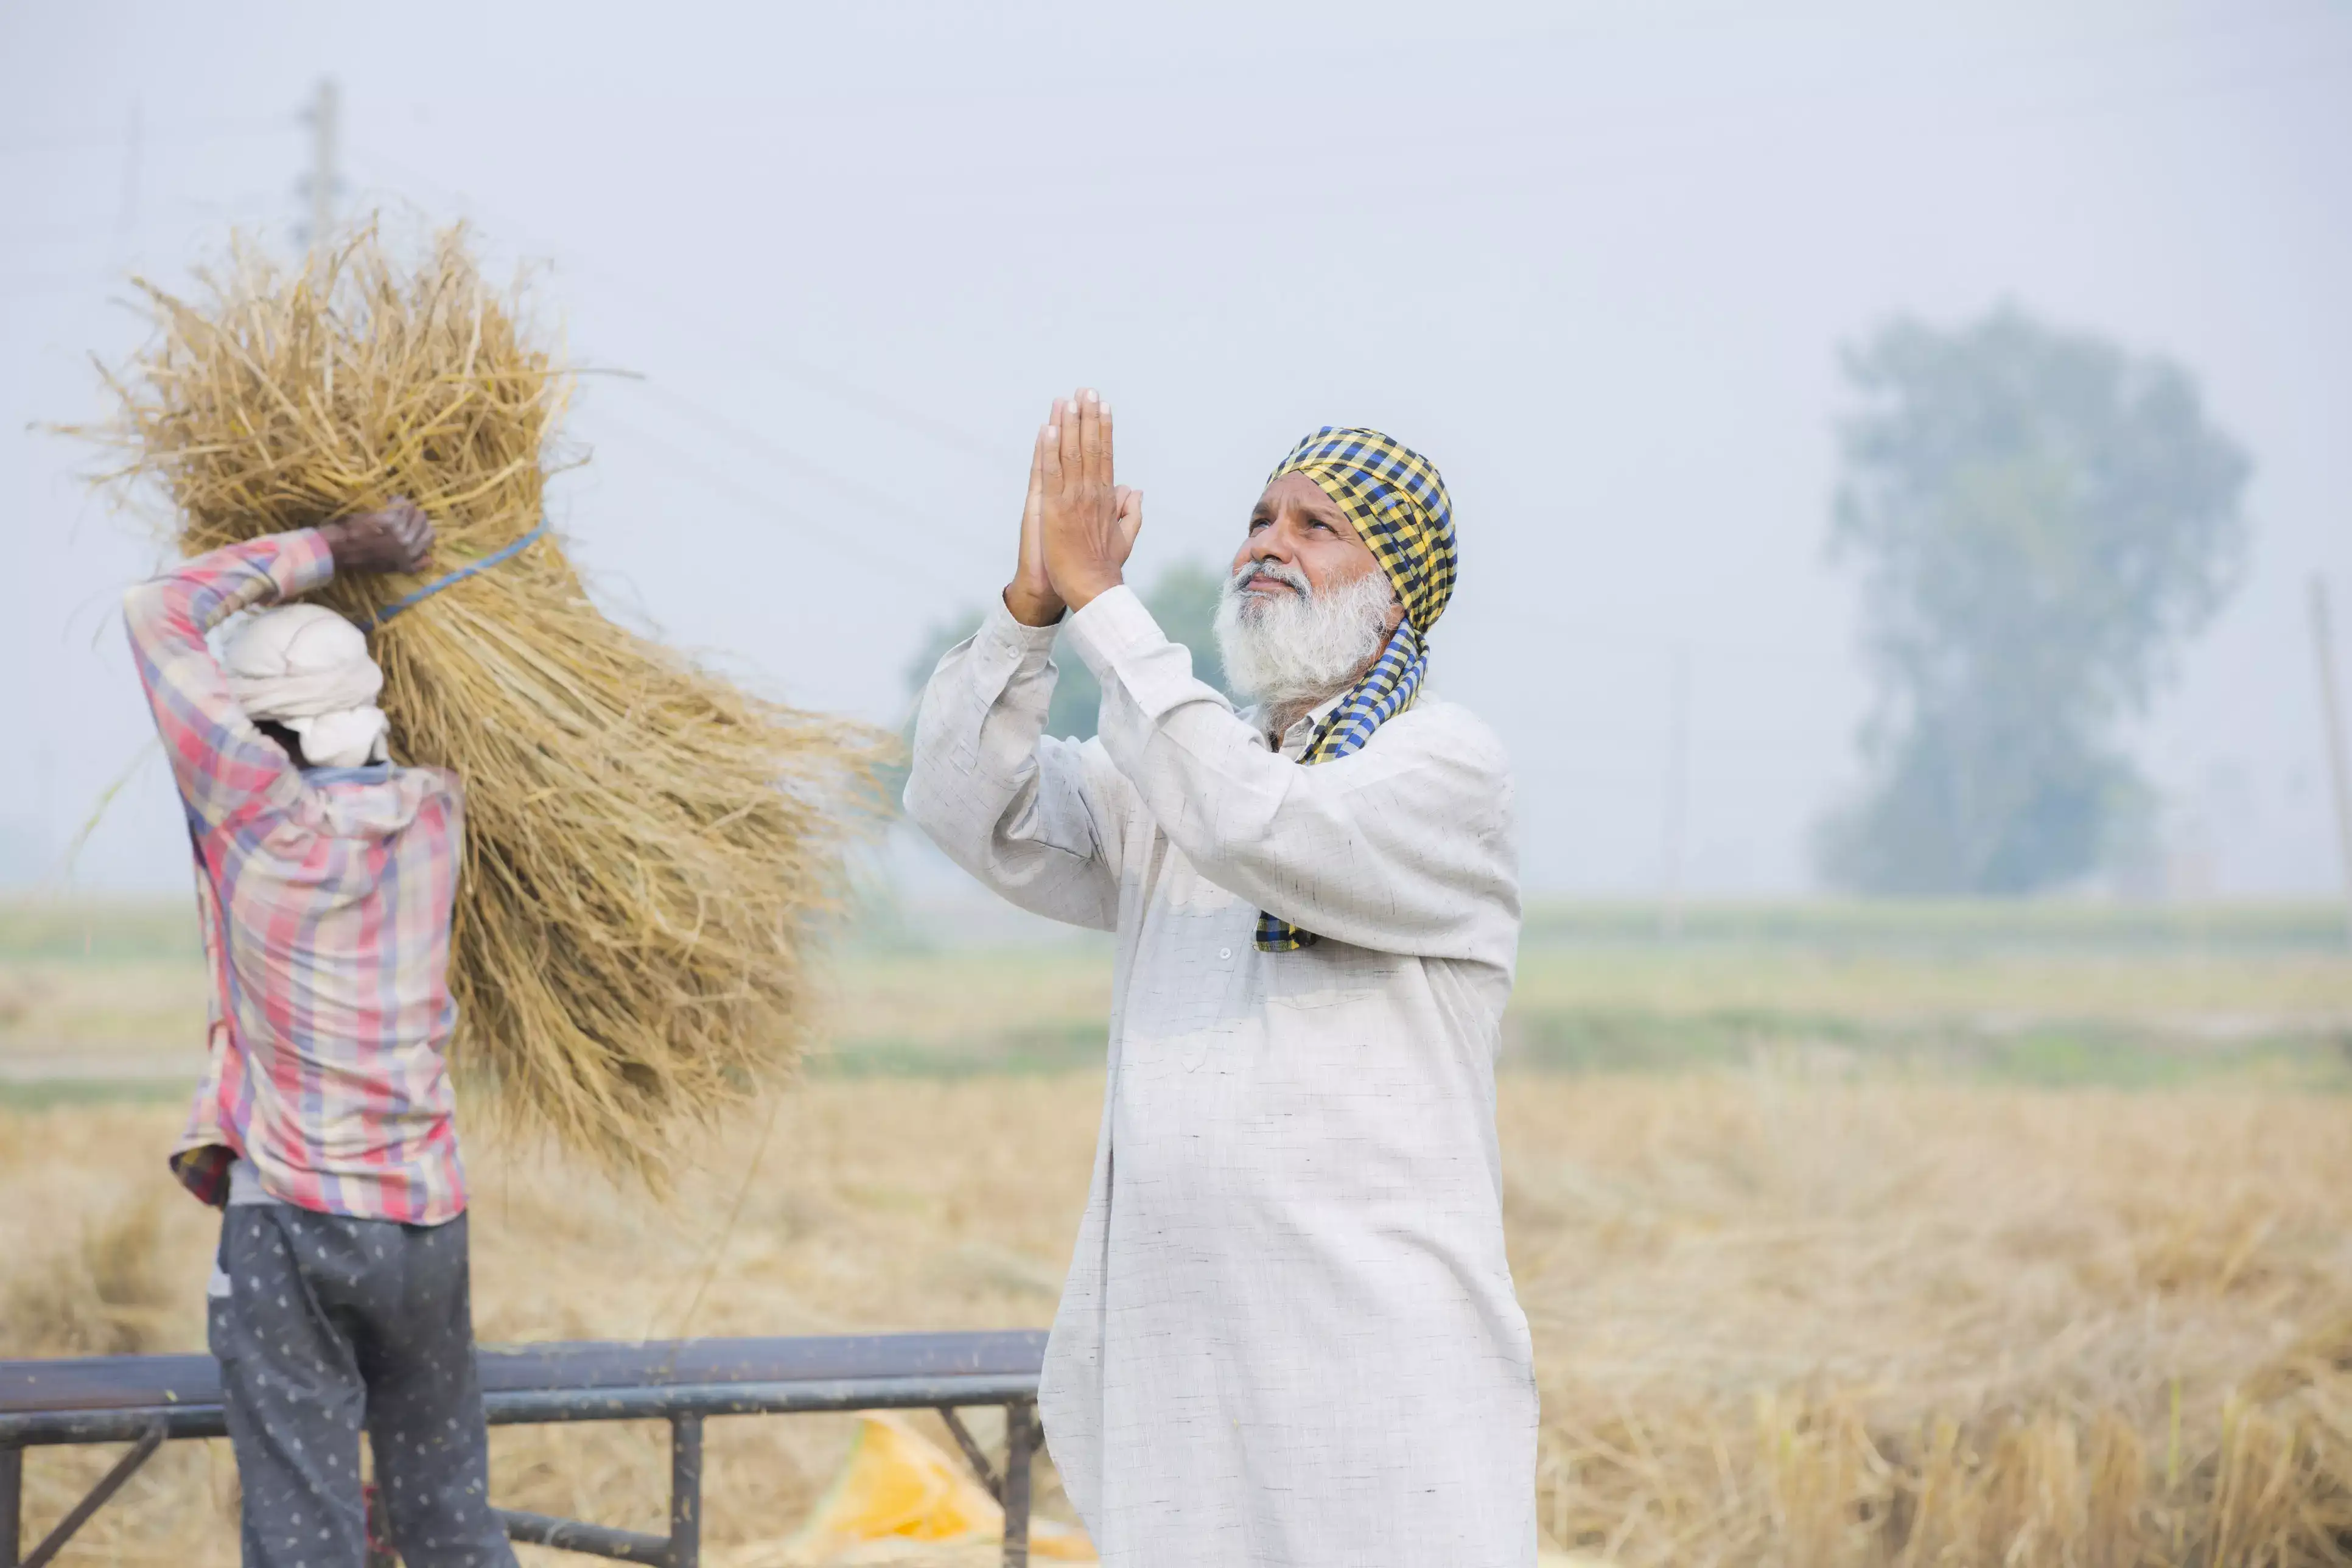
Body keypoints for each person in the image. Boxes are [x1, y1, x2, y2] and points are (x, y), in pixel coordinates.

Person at [905, 392, 1536, 1566]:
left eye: (1315, 526)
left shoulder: (1442, 771)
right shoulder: (1185, 777)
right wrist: (1033, 609)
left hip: (1379, 1398)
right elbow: (962, 803)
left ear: (1396, 589)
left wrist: (1105, 601)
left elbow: (1263, 825)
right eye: (1258, 520)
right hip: (1186, 1391)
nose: (1266, 547)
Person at [124, 502, 517, 1568]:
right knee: (448, 1520)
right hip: (426, 1222)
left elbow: (158, 609)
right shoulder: (437, 814)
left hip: (294, 1223)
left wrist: (336, 551)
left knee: (307, 1535)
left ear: (263, 736)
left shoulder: (257, 818)